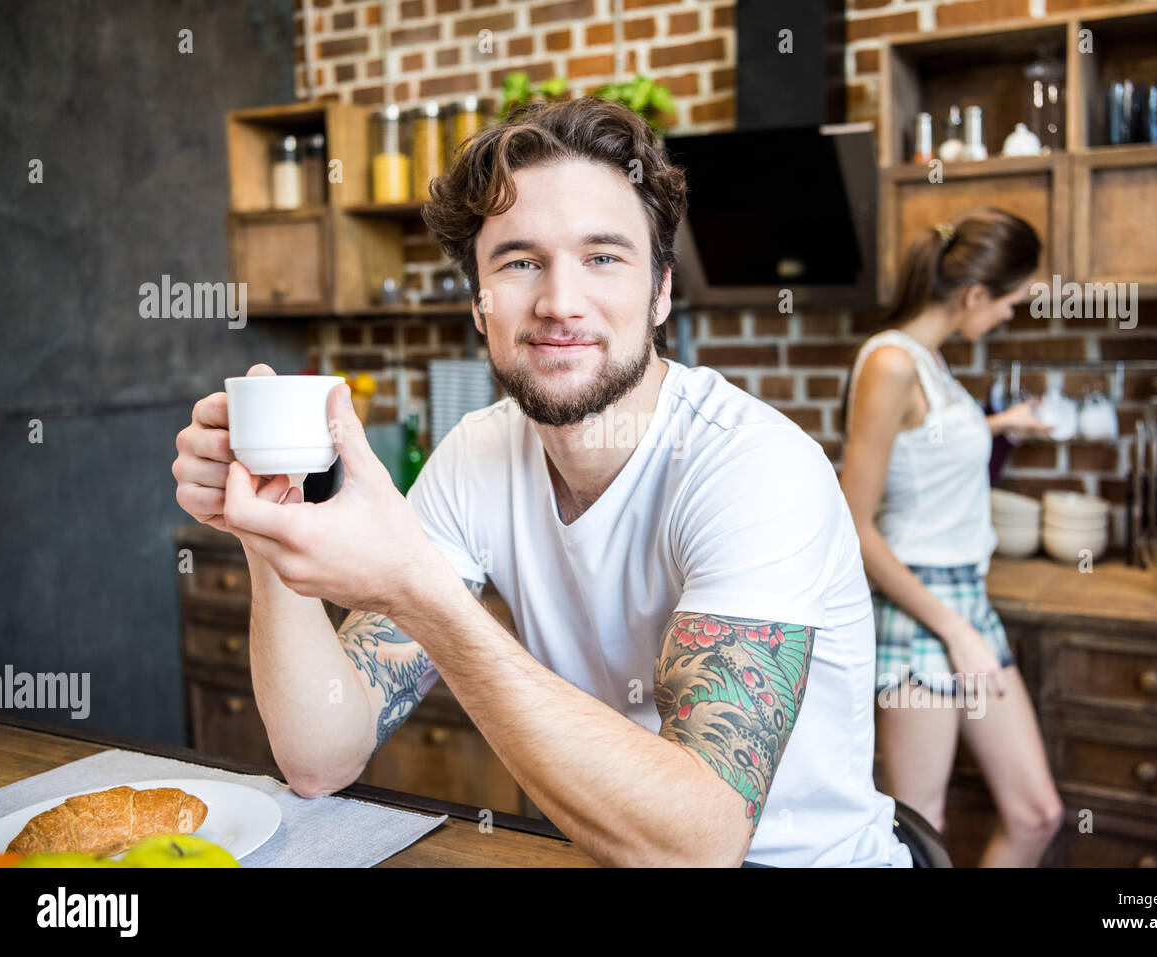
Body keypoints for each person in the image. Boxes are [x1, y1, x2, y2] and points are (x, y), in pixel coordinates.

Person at [172, 95, 911, 867]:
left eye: (603, 257)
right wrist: (268, 529)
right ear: (479, 306)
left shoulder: (754, 466)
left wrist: (422, 593)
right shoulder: (476, 456)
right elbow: (321, 755)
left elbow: (702, 844)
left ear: (660, 291)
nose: (560, 302)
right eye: (521, 261)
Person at [838, 208, 1064, 867]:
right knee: (922, 829)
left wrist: (1003, 424)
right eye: (1010, 304)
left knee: (1036, 813)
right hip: (920, 608)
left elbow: (925, 447)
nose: (1007, 317)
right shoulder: (889, 362)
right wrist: (952, 628)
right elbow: (855, 523)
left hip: (967, 600)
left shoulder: (929, 361)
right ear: (973, 295)